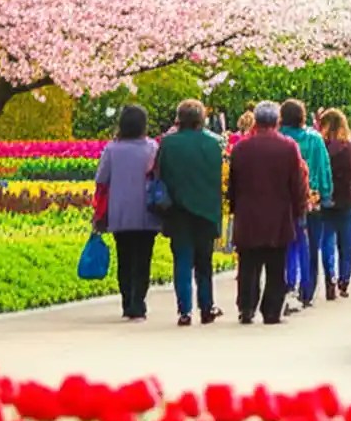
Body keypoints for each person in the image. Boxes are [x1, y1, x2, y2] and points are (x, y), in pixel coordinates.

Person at [229, 102, 310, 325]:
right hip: (279, 216)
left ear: (256, 121)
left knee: (248, 265)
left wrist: (235, 207)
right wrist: (299, 209)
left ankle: (246, 307)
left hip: (248, 216)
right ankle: (272, 310)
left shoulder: (240, 149)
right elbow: (297, 185)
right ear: (277, 121)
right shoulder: (288, 148)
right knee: (276, 266)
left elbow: (233, 186)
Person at [155, 99, 225, 327]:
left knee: (182, 261)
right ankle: (207, 306)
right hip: (206, 210)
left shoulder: (168, 144)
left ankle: (184, 310)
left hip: (178, 210)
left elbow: (161, 174)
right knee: (204, 262)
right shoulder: (214, 144)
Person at [94, 106, 161, 321]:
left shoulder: (112, 150)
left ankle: (126, 302)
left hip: (120, 211)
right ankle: (138, 303)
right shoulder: (152, 147)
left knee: (124, 258)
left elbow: (101, 179)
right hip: (146, 212)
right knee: (143, 259)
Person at [278, 99, 333, 307]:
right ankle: (307, 291)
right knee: (310, 247)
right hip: (313, 198)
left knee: (287, 244)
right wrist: (326, 194)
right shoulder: (315, 139)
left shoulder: (281, 138)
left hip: (285, 200)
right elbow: (324, 168)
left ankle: (288, 283)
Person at [318, 109, 351, 298]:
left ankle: (331, 277)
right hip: (348, 200)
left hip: (327, 200)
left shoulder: (322, 147)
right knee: (346, 244)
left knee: (327, 240)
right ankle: (344, 280)